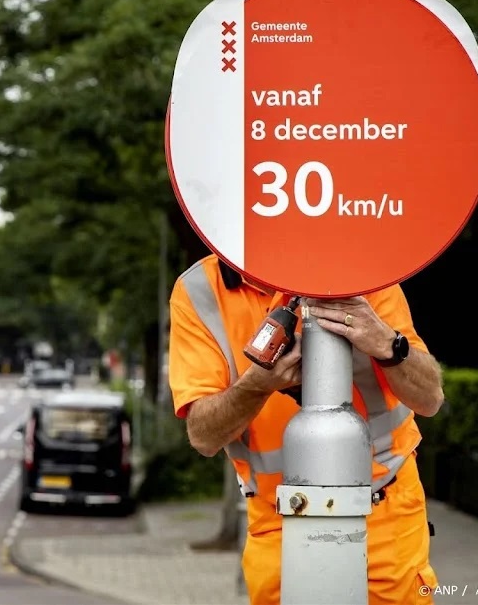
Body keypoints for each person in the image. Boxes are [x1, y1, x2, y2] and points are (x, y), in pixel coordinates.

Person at [168, 256, 445, 605]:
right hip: (277, 518)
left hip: (384, 511)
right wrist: (256, 386)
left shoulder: (364, 265)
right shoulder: (200, 289)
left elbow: (431, 399)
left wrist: (388, 344)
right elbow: (203, 437)